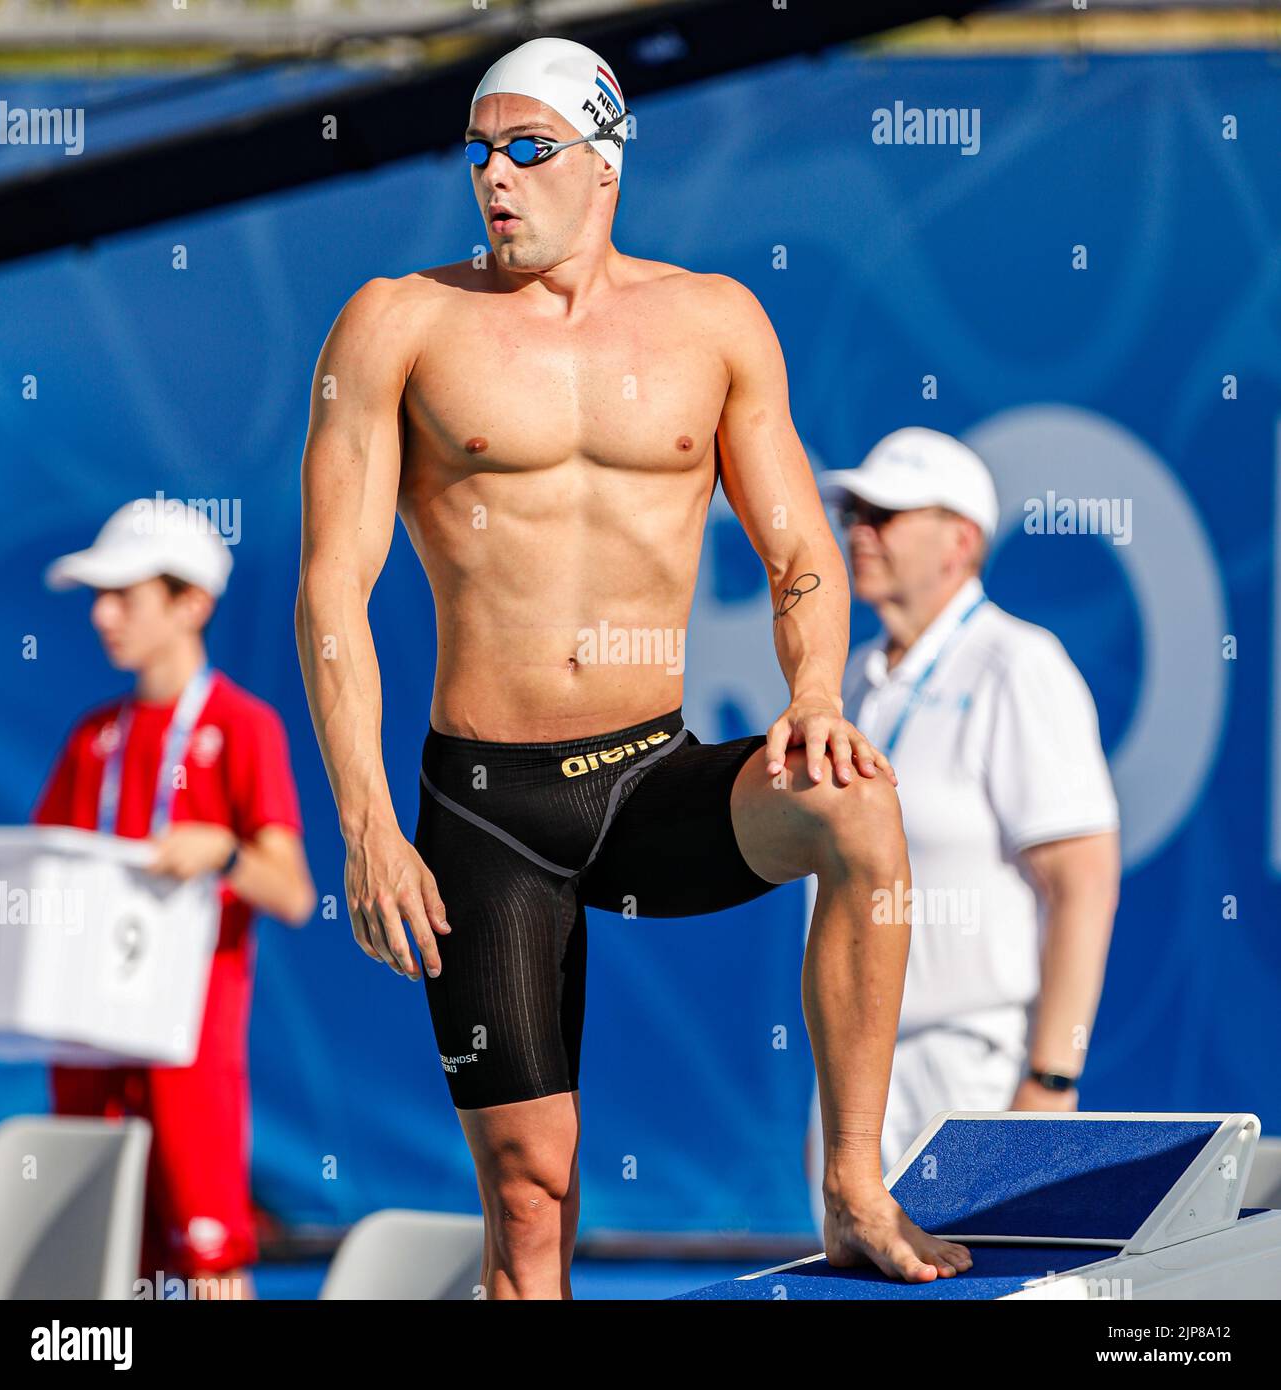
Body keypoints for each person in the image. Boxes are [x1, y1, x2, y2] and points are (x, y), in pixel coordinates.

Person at [296, 36, 972, 1299]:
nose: (492, 176)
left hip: (647, 780)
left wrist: (816, 698)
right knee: (531, 1194)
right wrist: (368, 822)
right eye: (478, 151)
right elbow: (333, 586)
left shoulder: (712, 322)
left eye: (527, 149)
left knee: (860, 805)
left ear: (602, 162)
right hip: (486, 813)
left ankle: (851, 1186)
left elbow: (801, 555)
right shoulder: (397, 322)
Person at [806, 427, 1121, 1225]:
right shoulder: (860, 685)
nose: (859, 531)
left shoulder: (1018, 663)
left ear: (962, 541)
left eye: (888, 513)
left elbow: (1084, 881)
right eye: (855, 511)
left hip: (971, 1079)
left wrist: (1051, 1083)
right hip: (853, 1087)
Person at [34, 497, 316, 1298]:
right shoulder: (94, 738)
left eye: (124, 593)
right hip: (87, 1053)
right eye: (98, 594)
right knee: (88, 1279)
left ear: (191, 602)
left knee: (210, 1274)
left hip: (189, 1060)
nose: (102, 614)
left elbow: (293, 893)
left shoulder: (244, 725)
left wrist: (222, 851)